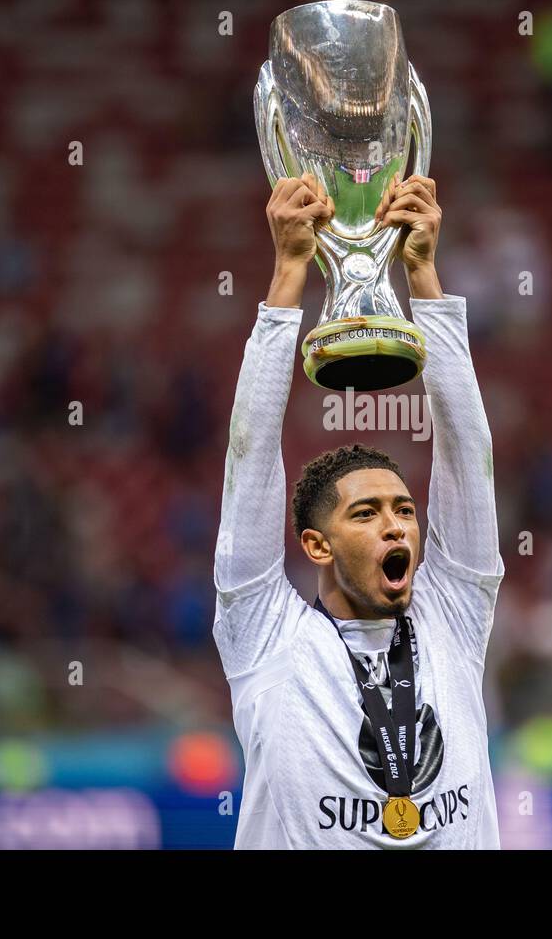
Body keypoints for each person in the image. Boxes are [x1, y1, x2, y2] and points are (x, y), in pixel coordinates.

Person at [212, 172, 506, 847]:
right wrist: (288, 275)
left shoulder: (453, 618)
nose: (397, 523)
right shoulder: (266, 639)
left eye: (403, 508)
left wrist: (424, 276)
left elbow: (468, 453)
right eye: (366, 513)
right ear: (317, 546)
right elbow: (249, 458)